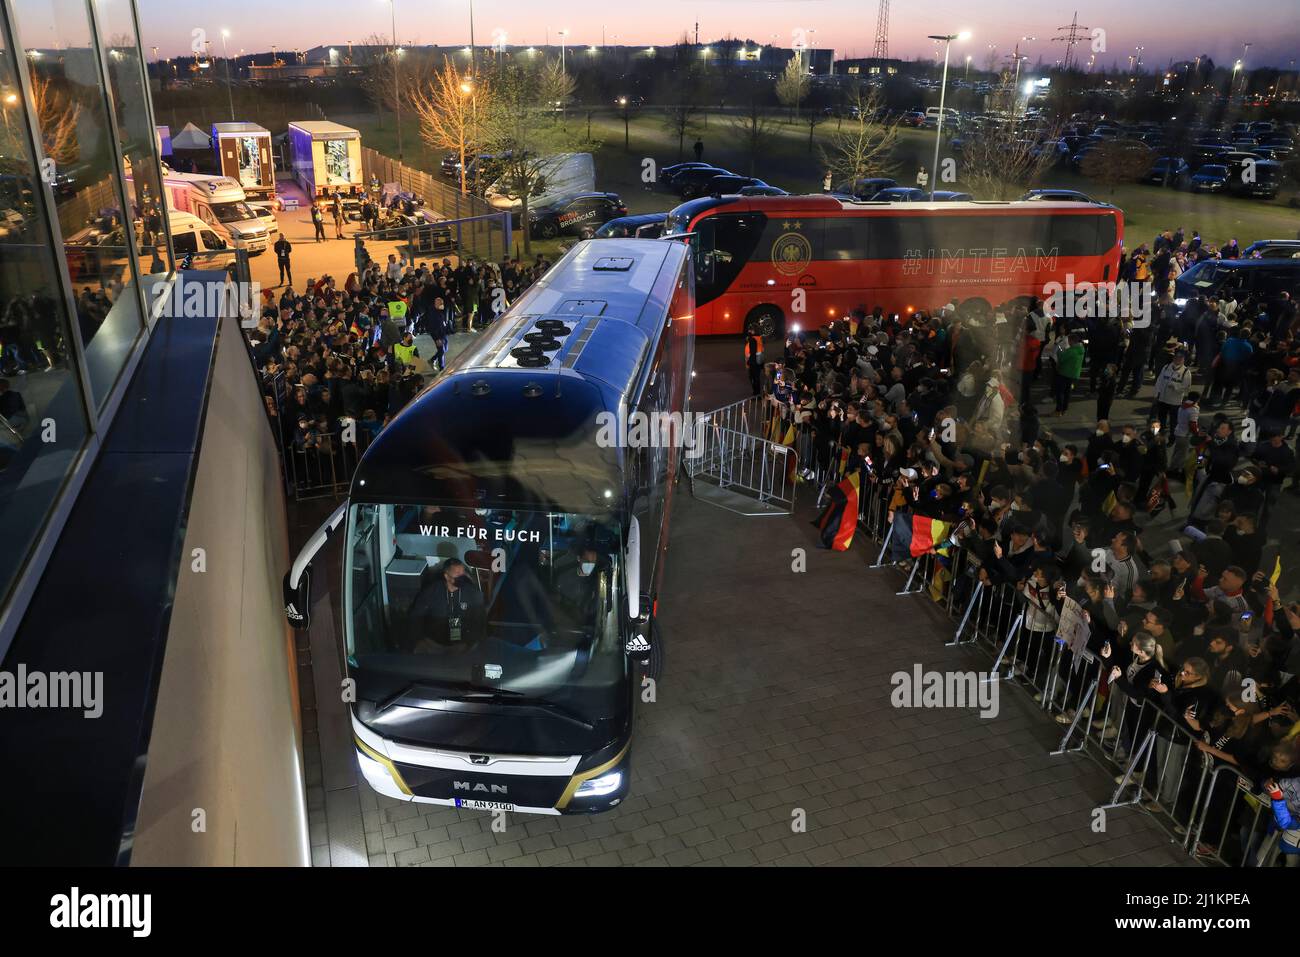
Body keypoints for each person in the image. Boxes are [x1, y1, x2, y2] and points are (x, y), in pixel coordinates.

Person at [409, 558, 486, 649]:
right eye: (457, 573)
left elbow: (480, 622)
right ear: (446, 576)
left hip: (463, 645)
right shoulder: (431, 592)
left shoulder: (473, 593)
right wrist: (418, 641)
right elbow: (416, 617)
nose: (461, 577)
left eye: (463, 573)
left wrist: (470, 643)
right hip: (433, 644)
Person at [745, 326, 764, 397]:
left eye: (750, 331)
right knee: (756, 378)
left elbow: (751, 353)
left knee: (753, 378)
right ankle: (757, 393)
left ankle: (756, 394)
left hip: (753, 363)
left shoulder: (753, 340)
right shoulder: (759, 339)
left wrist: (748, 363)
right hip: (758, 362)